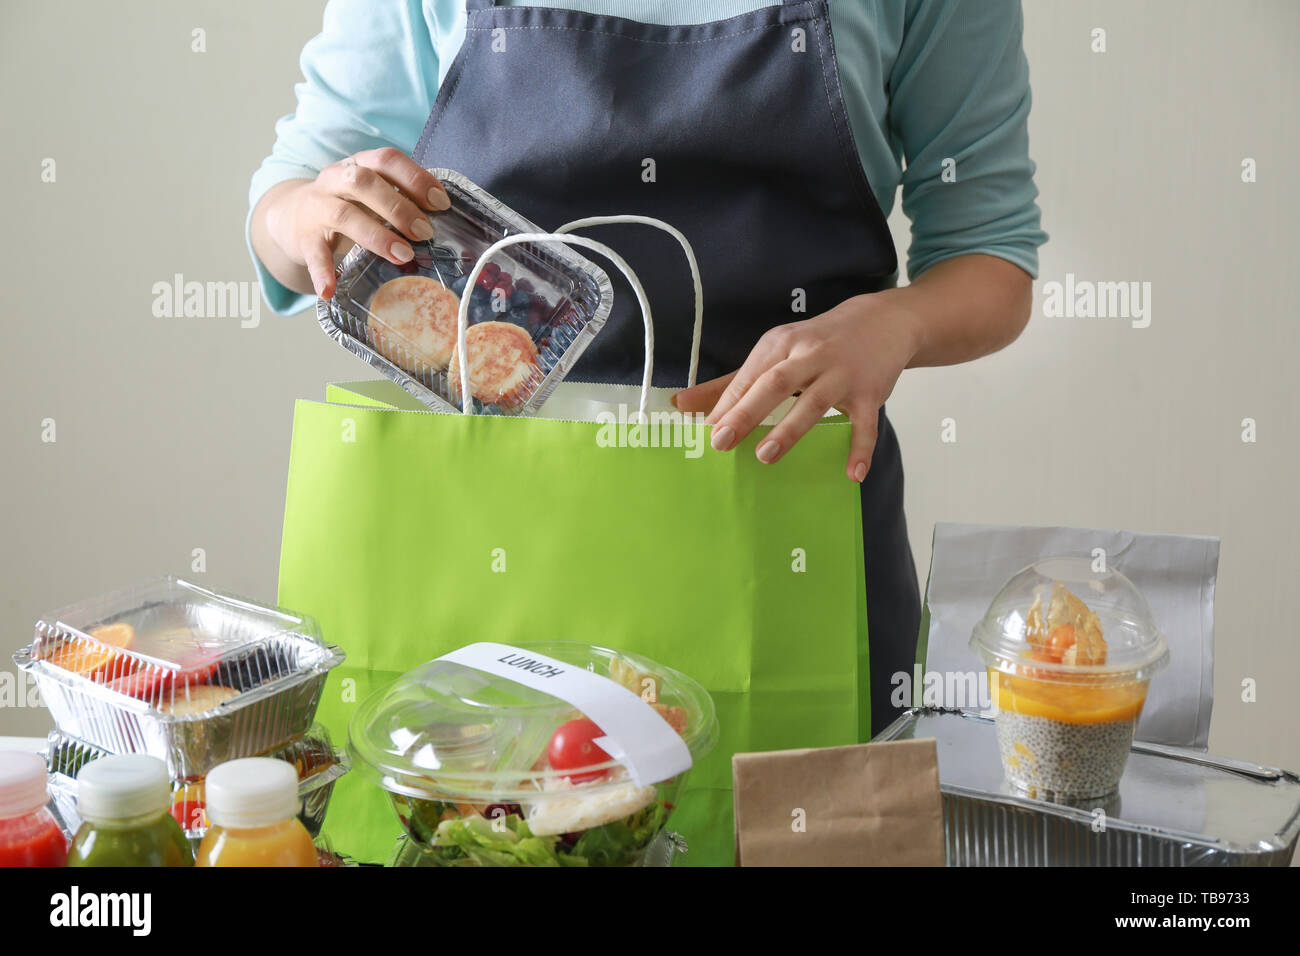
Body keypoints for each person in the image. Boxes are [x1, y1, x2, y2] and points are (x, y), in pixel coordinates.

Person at [248, 0, 1047, 734]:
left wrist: (895, 320)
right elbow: (287, 215)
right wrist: (306, 213)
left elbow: (993, 254)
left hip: (784, 538)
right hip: (486, 541)